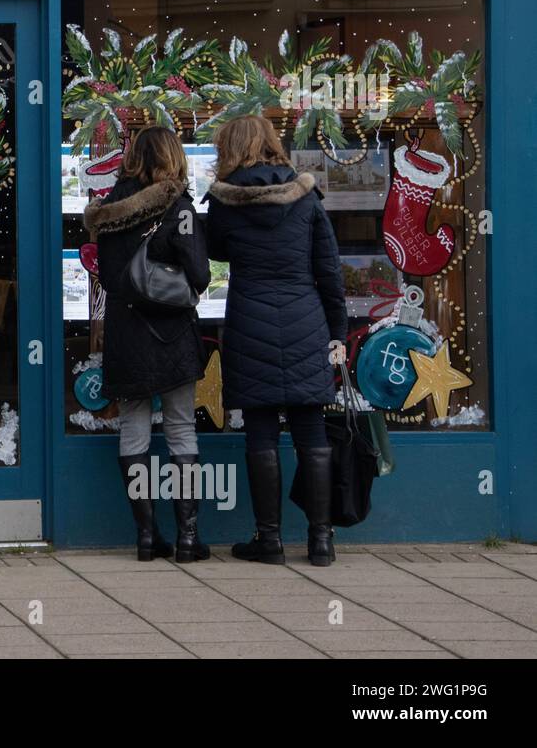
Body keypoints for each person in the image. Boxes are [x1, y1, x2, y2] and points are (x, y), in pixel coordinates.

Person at [204, 115, 347, 567]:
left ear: (230, 148)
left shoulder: (225, 203)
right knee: (311, 429)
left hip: (250, 321)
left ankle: (269, 541)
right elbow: (330, 273)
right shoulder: (307, 199)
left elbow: (217, 250)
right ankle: (320, 541)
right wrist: (338, 333)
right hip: (306, 320)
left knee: (261, 430)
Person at [84, 126, 212, 562]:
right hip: (172, 334)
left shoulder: (109, 212)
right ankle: (188, 538)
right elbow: (200, 275)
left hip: (127, 334)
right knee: (181, 431)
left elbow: (111, 275)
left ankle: (145, 537)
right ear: (172, 157)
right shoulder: (178, 207)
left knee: (133, 430)